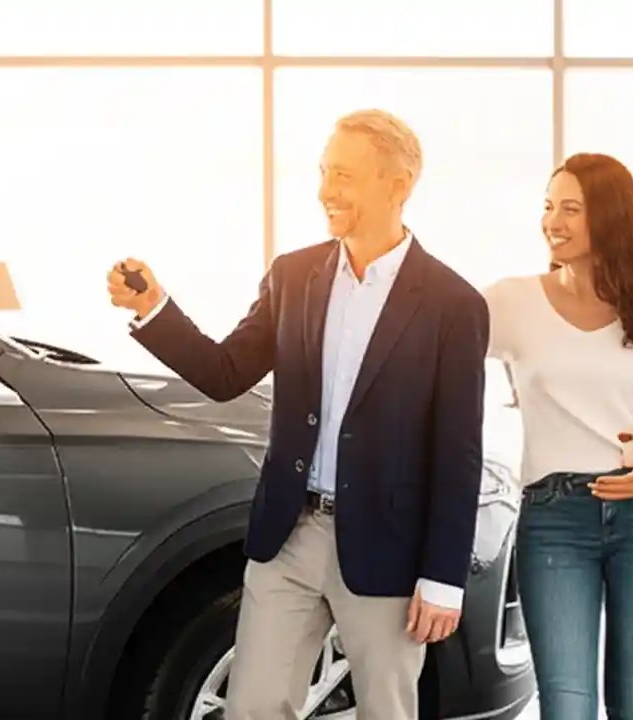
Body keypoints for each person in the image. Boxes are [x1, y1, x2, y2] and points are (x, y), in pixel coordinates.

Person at [105, 108, 488, 719]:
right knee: (252, 707)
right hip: (290, 532)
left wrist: (443, 578)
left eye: (344, 175)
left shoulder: (453, 304)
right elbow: (225, 372)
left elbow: (458, 452)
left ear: (398, 184)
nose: (325, 191)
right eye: (322, 172)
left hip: (388, 547)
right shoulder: (294, 276)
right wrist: (155, 307)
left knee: (388, 710)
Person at [482, 152, 633, 719]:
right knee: (566, 708)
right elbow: (436, 347)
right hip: (555, 520)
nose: (553, 220)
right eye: (549, 206)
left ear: (609, 217)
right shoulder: (510, 301)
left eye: (571, 208)